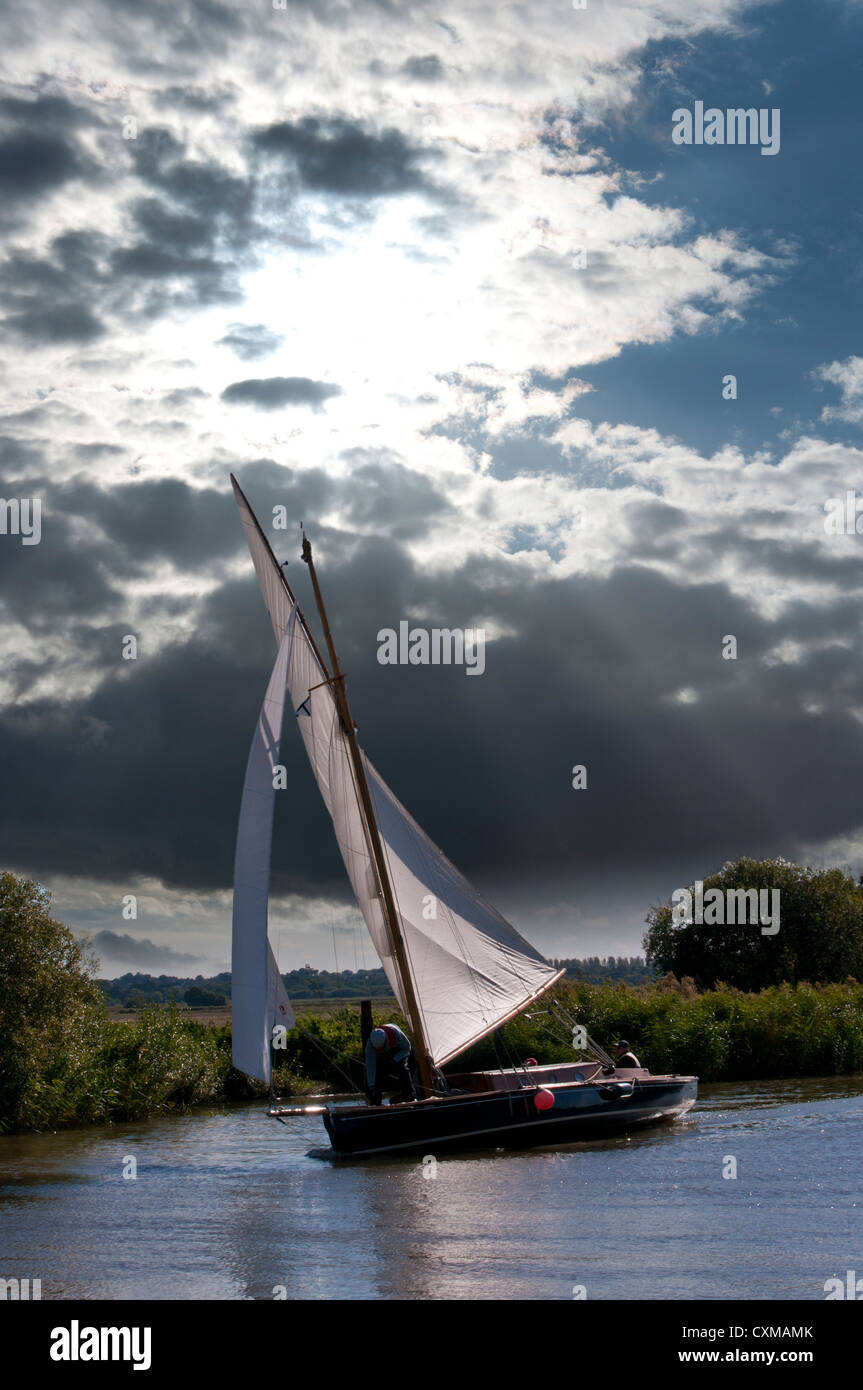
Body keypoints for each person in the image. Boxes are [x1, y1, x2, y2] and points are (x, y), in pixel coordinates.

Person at [365, 1023, 416, 1106]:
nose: (380, 1050)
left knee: (402, 1068)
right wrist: (371, 1085)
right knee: (375, 1076)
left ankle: (409, 1095)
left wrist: (394, 1060)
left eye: (381, 1048)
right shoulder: (370, 1045)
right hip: (383, 1057)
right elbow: (370, 1065)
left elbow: (407, 1048)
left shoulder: (396, 1034)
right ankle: (375, 1102)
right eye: (378, 1049)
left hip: (399, 1051)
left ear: (385, 1041)